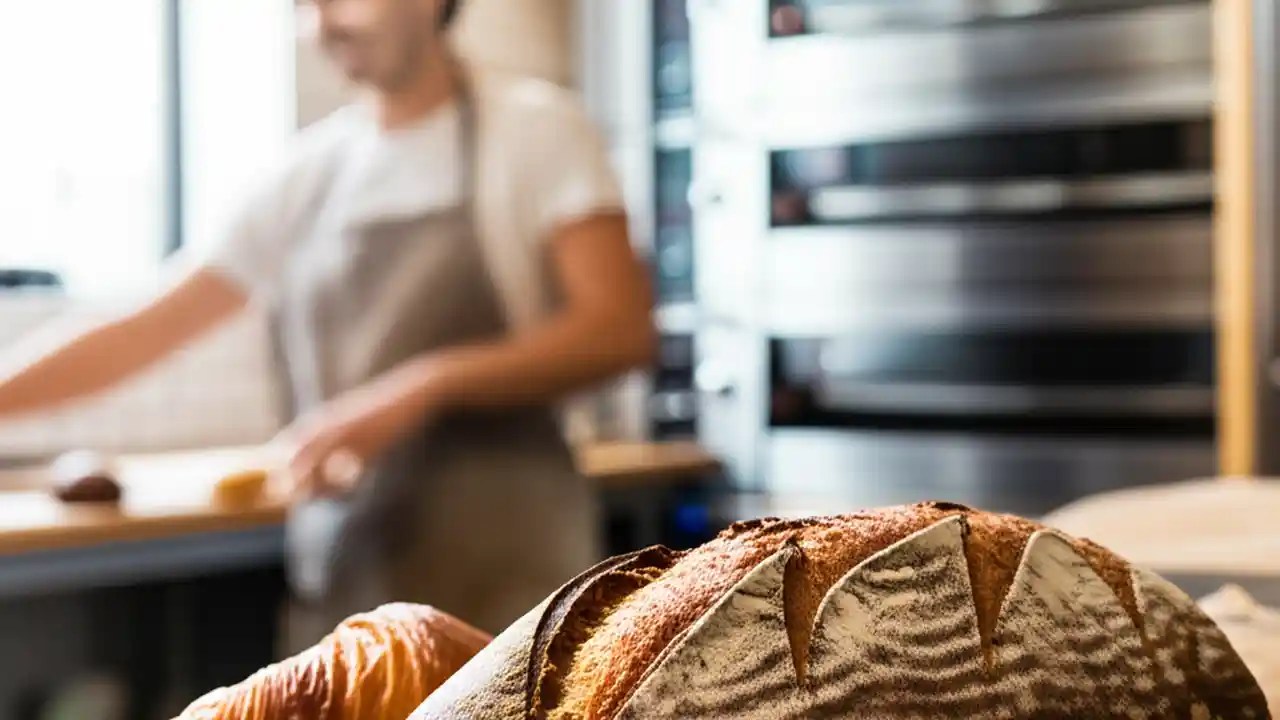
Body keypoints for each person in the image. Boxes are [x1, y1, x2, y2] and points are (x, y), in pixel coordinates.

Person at [0, 0, 655, 644]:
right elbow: (141, 328)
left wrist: (422, 386)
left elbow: (617, 330)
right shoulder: (310, 174)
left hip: (512, 595)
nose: (321, 23)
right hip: (353, 581)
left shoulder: (536, 129)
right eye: (303, 5)